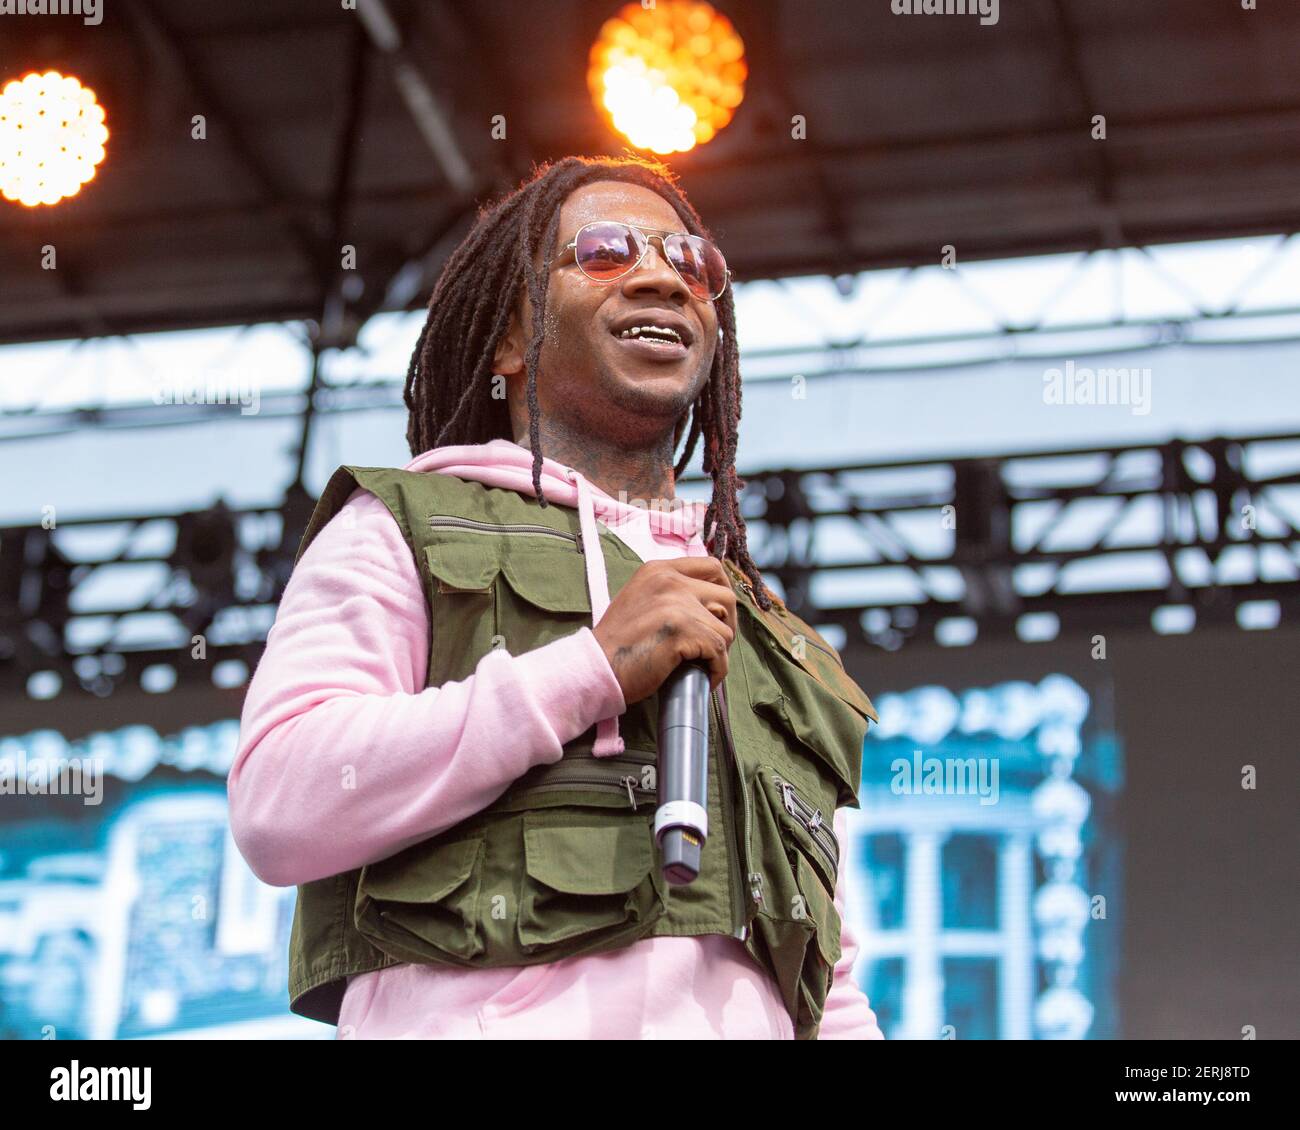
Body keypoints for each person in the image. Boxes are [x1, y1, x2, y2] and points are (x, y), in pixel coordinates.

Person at [230, 155, 884, 1040]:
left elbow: (827, 987)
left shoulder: (766, 636)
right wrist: (589, 672)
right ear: (509, 341)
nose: (663, 274)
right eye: (606, 252)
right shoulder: (405, 526)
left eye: (693, 262)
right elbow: (282, 801)